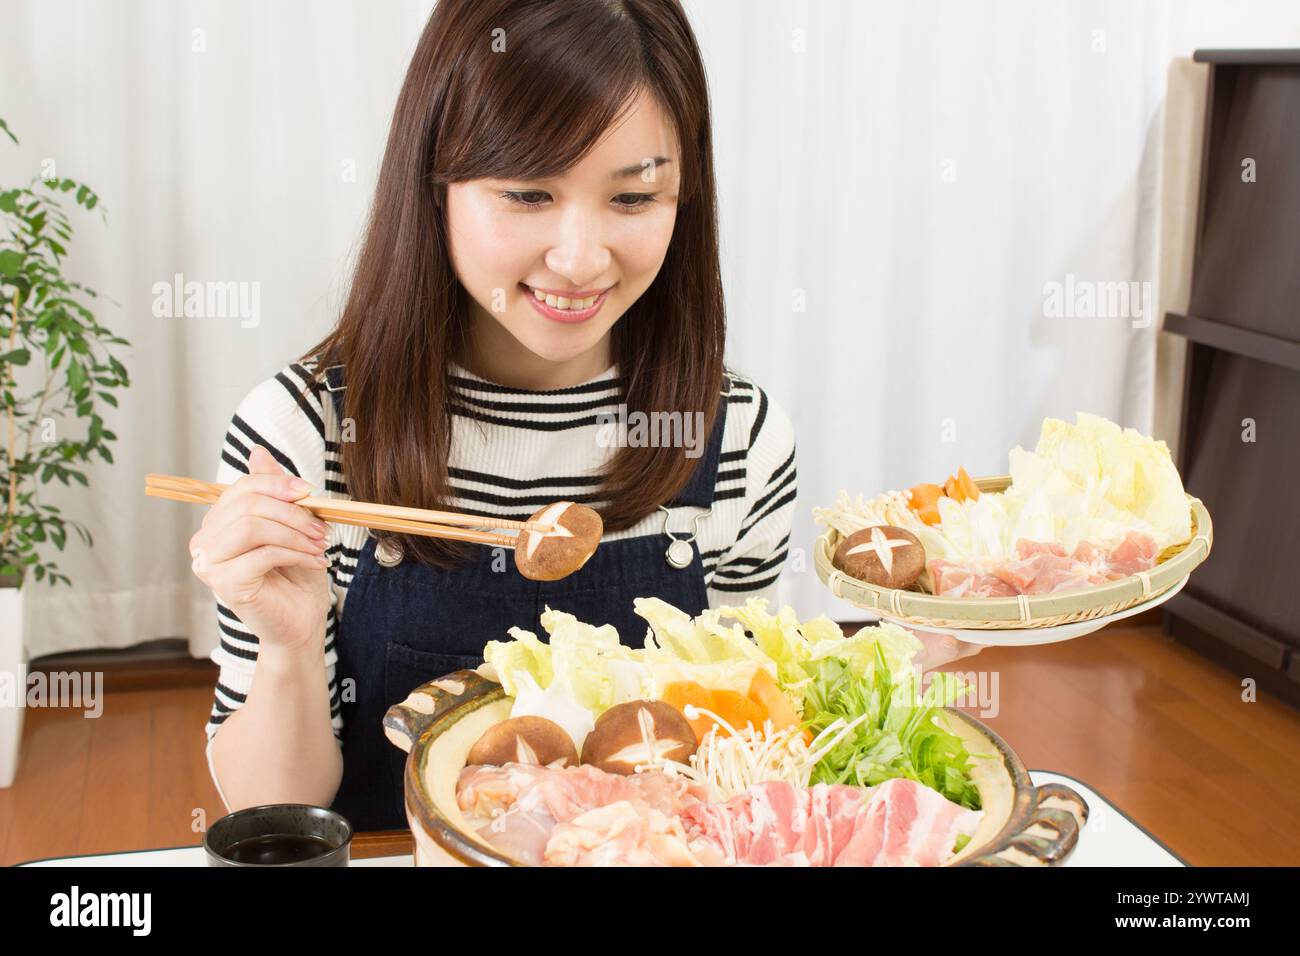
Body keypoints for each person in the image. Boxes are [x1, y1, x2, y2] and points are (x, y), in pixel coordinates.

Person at [190, 0, 976, 832]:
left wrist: (879, 667)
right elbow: (275, 811)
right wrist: (285, 645)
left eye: (633, 199)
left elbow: (739, 761)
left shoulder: (737, 434)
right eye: (527, 193)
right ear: (434, 185)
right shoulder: (305, 433)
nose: (578, 258)